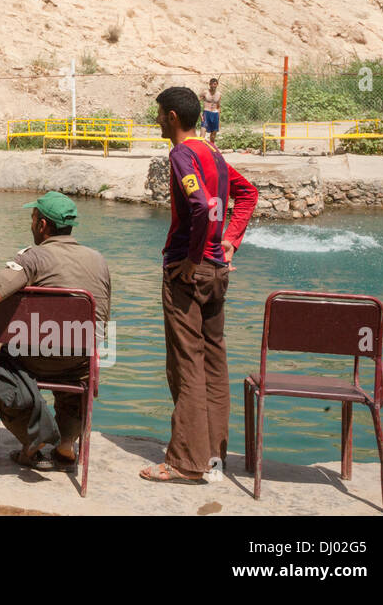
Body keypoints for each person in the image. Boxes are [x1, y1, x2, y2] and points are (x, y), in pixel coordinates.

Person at [141, 87, 258, 484]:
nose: (156, 120)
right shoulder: (215, 153)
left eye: (159, 114)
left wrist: (193, 258)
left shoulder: (182, 154)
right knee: (214, 361)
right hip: (218, 273)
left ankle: (185, 463)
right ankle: (213, 455)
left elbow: (202, 206)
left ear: (172, 117)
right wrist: (229, 241)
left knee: (187, 363)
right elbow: (246, 194)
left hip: (186, 273)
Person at [0, 192, 111, 470]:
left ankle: (33, 436)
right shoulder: (98, 260)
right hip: (82, 361)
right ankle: (65, 445)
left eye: (33, 218)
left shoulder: (33, 257)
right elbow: (104, 317)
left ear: (43, 225)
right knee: (74, 368)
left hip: (34, 360)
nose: (31, 223)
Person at [201, 78, 222, 144]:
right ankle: (200, 150)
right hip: (206, 113)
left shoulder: (219, 94)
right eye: (212, 84)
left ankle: (211, 150)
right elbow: (196, 102)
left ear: (217, 85)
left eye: (215, 84)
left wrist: (218, 119)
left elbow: (218, 106)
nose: (213, 85)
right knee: (202, 135)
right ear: (209, 84)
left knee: (213, 136)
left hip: (215, 114)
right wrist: (200, 114)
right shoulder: (205, 92)